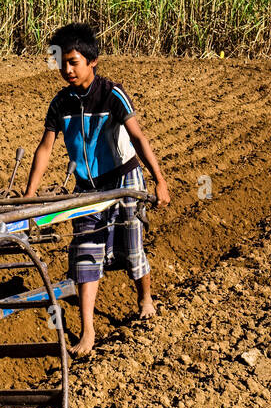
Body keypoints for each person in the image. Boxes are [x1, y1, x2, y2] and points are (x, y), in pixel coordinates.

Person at [23, 23, 170, 357]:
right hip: (87, 188)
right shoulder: (60, 104)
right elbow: (45, 149)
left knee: (130, 248)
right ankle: (88, 332)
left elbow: (137, 137)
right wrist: (30, 195)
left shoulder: (112, 94)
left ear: (92, 61)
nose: (66, 69)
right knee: (86, 255)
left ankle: (144, 297)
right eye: (61, 62)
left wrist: (159, 180)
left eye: (73, 61)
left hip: (123, 180)